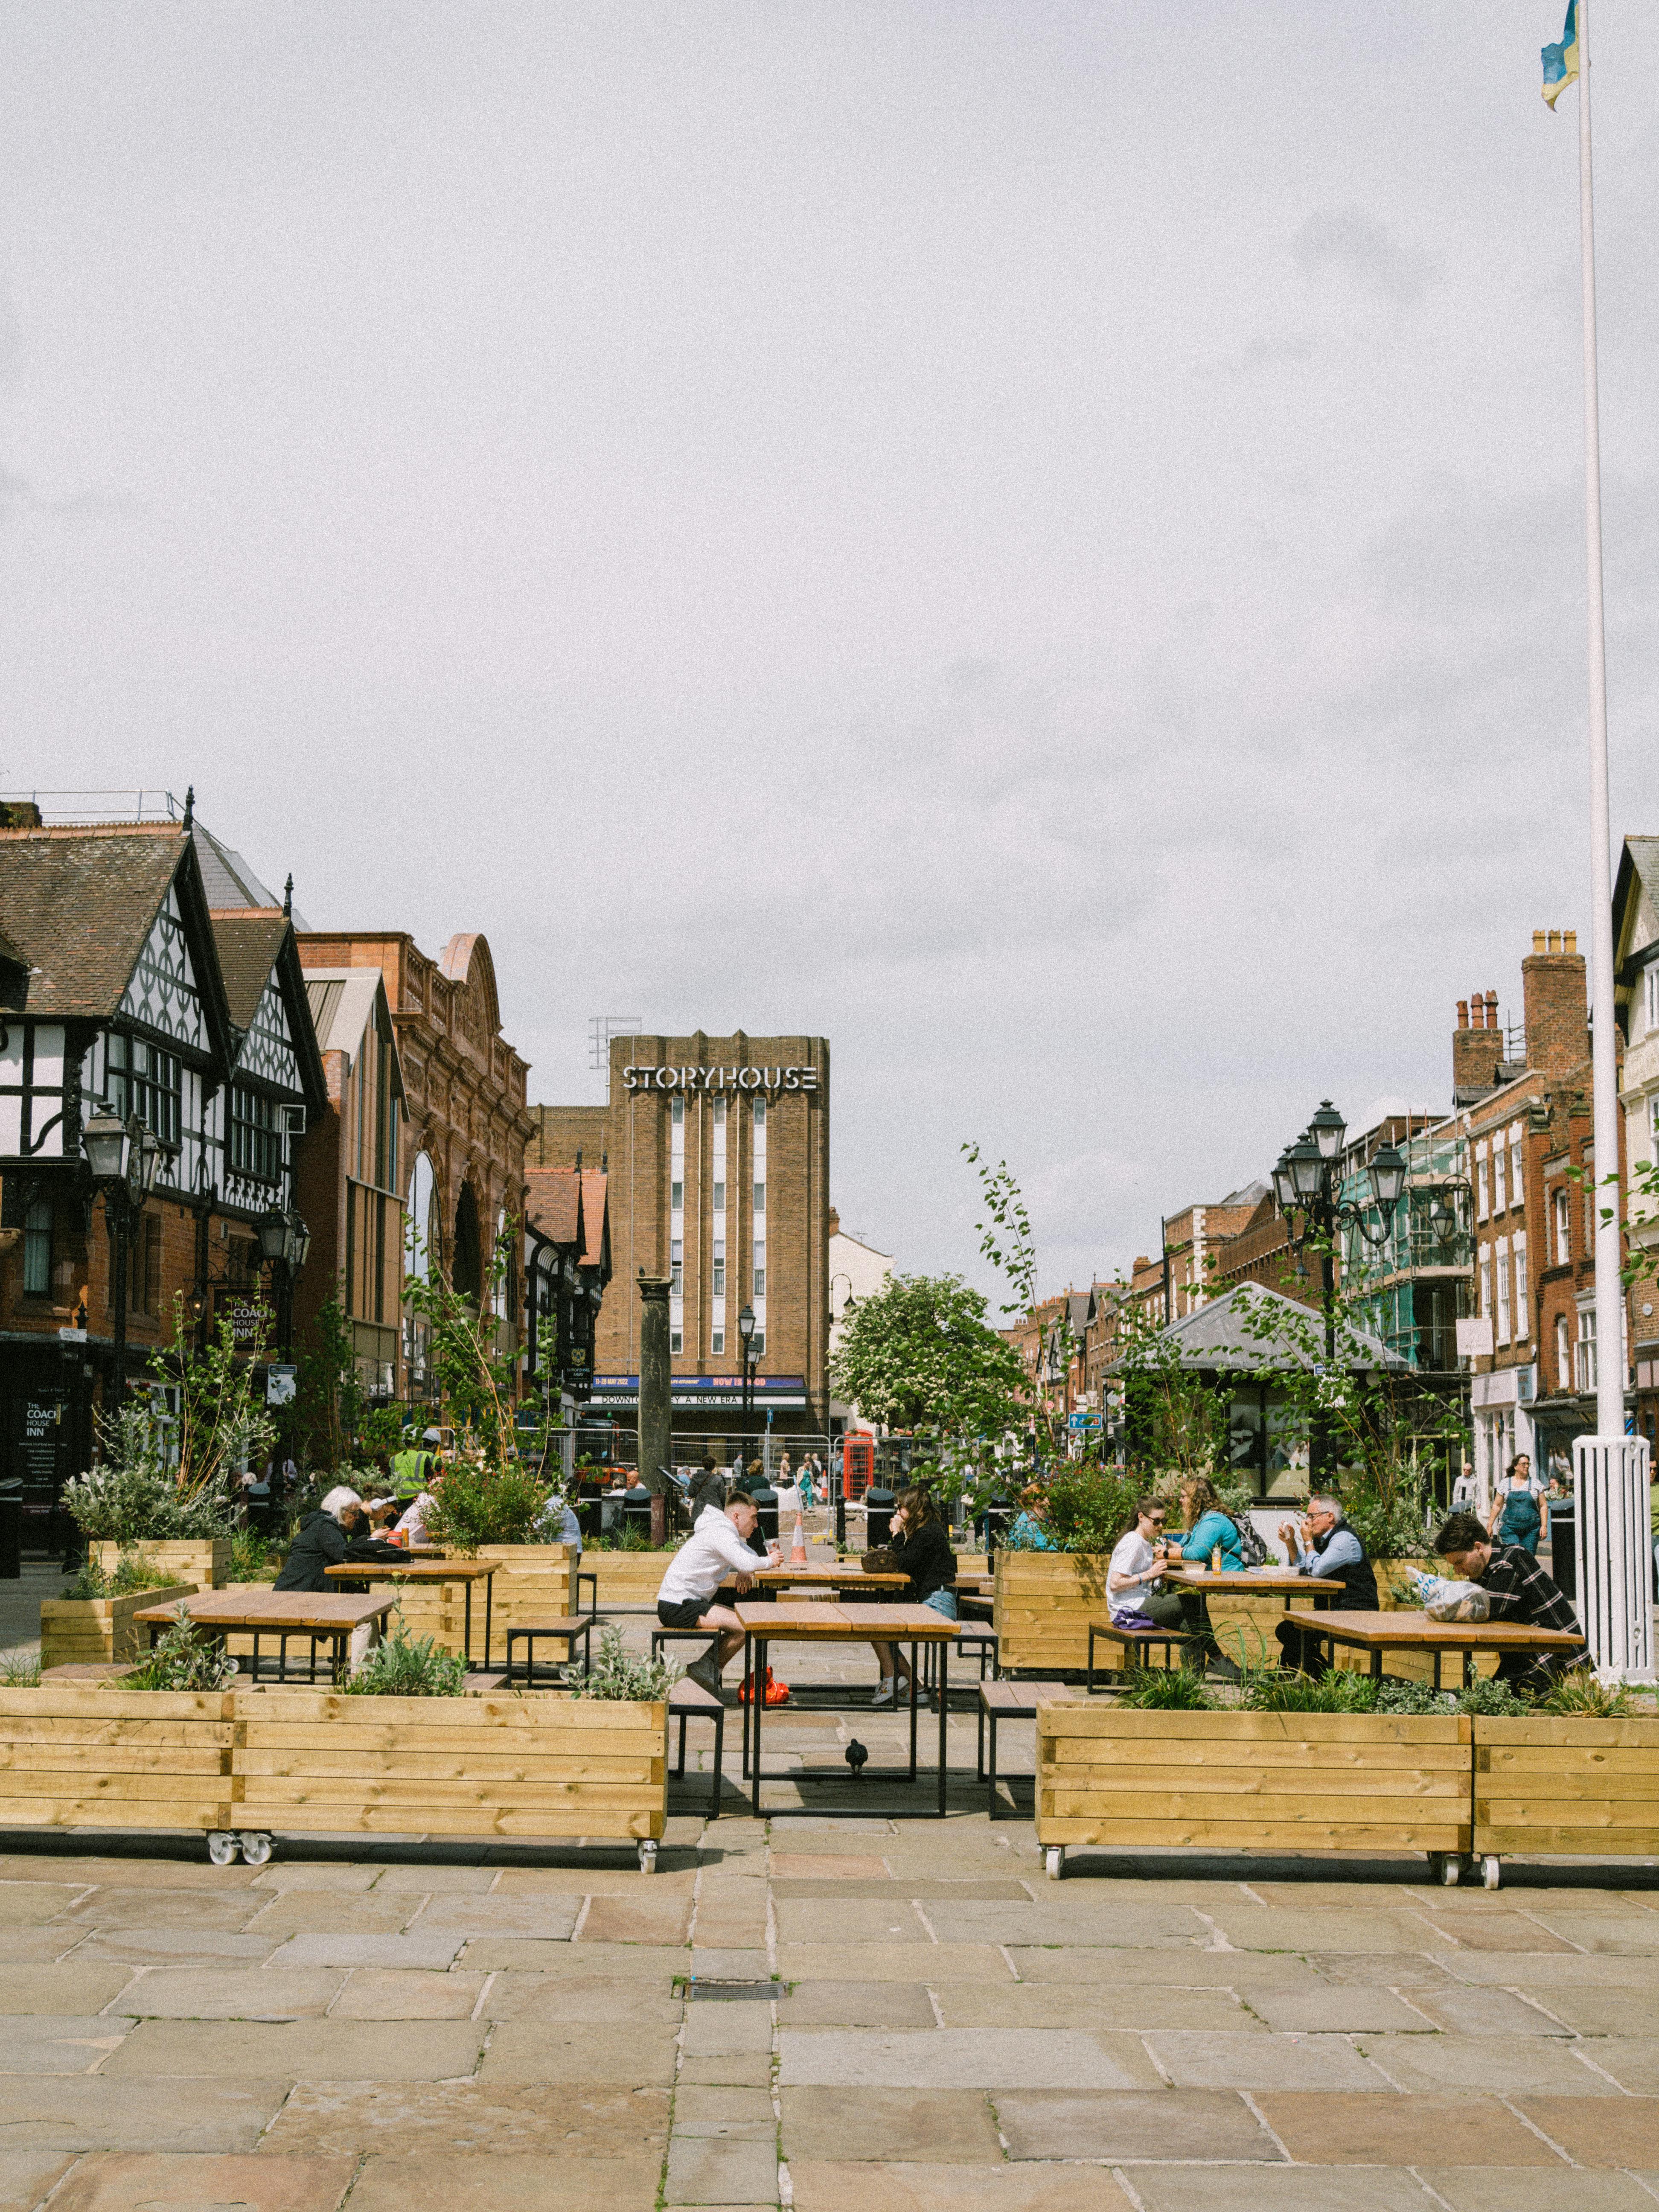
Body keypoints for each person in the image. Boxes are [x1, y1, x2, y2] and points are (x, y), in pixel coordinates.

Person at [1435, 1509, 1585, 1689]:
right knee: (1485, 1701)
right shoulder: (1487, 1569)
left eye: (1459, 1563)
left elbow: (1481, 1611)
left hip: (1559, 1663)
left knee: (1489, 1707)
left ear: (1478, 1548)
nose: (1458, 1571)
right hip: (1527, 1655)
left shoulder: (1509, 1562)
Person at [656, 1490, 781, 1696]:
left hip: (685, 1602)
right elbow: (747, 1560)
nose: (756, 1525)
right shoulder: (721, 1532)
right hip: (678, 1606)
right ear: (737, 1517)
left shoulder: (723, 1531)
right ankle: (703, 1671)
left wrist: (745, 1569)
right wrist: (770, 1561)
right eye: (753, 1518)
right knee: (745, 1627)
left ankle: (704, 1671)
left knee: (745, 1619)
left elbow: (747, 1555)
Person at [868, 1487, 957, 1706]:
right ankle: (912, 1685)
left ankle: (892, 1680)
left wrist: (897, 1534)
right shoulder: (927, 1531)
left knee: (876, 1625)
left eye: (901, 1508)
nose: (897, 1513)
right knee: (877, 1622)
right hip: (934, 1598)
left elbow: (903, 1563)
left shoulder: (929, 1534)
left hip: (938, 1603)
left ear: (915, 1510)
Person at [1273, 1493, 1378, 1676]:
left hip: (1356, 1611)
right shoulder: (1324, 1540)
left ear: (1330, 1517)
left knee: (1290, 1631)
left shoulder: (1344, 1539)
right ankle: (1286, 1683)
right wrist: (1291, 1542)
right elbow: (1304, 1568)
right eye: (1307, 1517)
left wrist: (1307, 1541)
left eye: (1312, 1516)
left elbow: (1316, 1570)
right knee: (1292, 1629)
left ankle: (1324, 1680)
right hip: (1334, 1610)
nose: (1307, 1522)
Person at [274, 1487, 407, 1592]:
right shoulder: (325, 1527)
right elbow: (343, 1554)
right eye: (354, 1513)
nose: (357, 1517)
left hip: (306, 1591)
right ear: (340, 1510)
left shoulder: (328, 1526)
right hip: (296, 1595)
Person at [1107, 1498, 1184, 1631]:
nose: (1161, 1526)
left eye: (1163, 1521)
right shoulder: (1133, 1542)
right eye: (1156, 1521)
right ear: (1141, 1517)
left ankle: (1213, 1654)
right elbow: (1115, 1584)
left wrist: (1156, 1577)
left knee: (1191, 1625)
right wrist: (1149, 1574)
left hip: (1137, 1604)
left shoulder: (1144, 1543)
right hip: (1127, 1611)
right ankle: (1216, 1654)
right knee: (1190, 1602)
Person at [1489, 1452, 1547, 1555]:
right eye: (1524, 1464)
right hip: (1510, 1528)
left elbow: (1543, 1506)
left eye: (1528, 1464)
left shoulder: (1536, 1484)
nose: (1527, 1466)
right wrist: (1490, 1525)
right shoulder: (1505, 1484)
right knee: (1513, 1555)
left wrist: (1544, 1526)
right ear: (1516, 1466)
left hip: (1531, 1529)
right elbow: (1497, 1506)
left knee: (1528, 1558)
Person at [1007, 1484, 1058, 1551]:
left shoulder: (1040, 1518)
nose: (1053, 1503)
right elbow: (1048, 1547)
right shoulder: (1030, 1522)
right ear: (1039, 1501)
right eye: (1050, 1500)